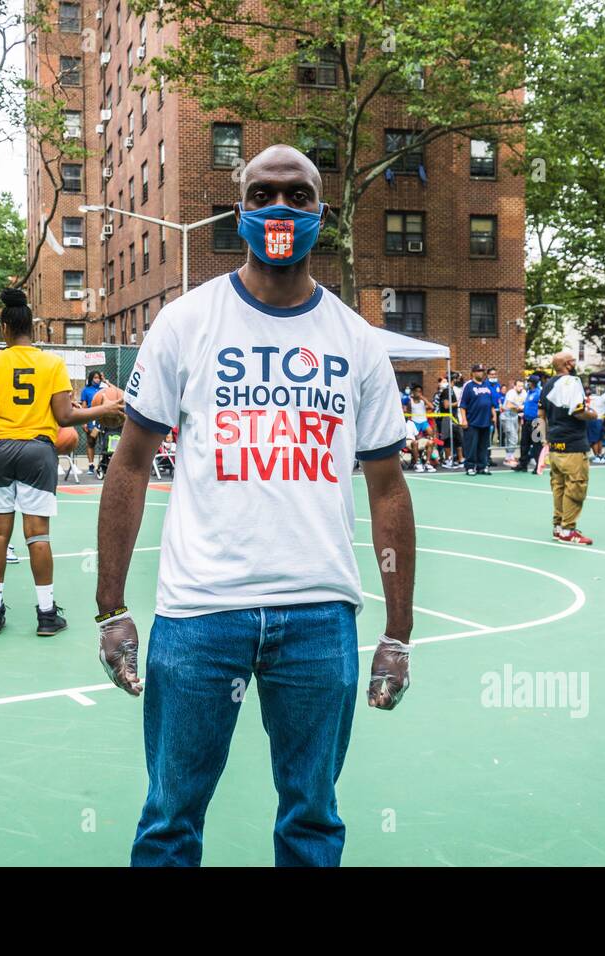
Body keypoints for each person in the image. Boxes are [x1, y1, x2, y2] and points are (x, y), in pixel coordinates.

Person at [94, 144, 414, 867]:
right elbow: (131, 464)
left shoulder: (355, 341)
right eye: (262, 194)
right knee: (171, 817)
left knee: (312, 821)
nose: (279, 209)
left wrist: (399, 630)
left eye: (297, 196)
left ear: (321, 213)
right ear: (239, 210)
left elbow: (388, 486)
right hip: (200, 613)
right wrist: (111, 607)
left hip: (320, 615)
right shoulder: (186, 322)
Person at [0, 288, 115, 636]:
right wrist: (103, 409)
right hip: (37, 451)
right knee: (38, 536)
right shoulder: (52, 363)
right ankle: (46, 615)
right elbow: (63, 417)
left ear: (3, 327)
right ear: (31, 327)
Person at [540, 351, 598, 544]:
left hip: (555, 443)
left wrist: (544, 439)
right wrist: (593, 414)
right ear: (567, 364)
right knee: (576, 485)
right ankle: (568, 530)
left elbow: (541, 414)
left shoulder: (547, 384)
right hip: (572, 443)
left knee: (559, 487)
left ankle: (558, 526)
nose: (575, 363)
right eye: (573, 360)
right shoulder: (572, 382)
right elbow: (578, 411)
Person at [459, 363, 496, 475]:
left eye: (482, 371)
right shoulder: (468, 386)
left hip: (485, 421)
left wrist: (493, 415)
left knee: (483, 446)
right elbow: (462, 404)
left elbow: (491, 403)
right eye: (478, 371)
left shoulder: (487, 385)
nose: (481, 372)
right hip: (472, 422)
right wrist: (464, 420)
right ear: (473, 373)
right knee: (471, 446)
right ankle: (470, 466)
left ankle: (482, 466)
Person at [514, 374, 543, 472]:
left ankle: (538, 466)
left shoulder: (539, 393)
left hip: (536, 422)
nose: (527, 383)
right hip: (526, 421)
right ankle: (523, 465)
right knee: (524, 444)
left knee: (536, 445)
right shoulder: (529, 393)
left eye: (528, 381)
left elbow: (541, 408)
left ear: (532, 383)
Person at [80, 371, 106, 476]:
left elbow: (114, 392)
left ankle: (104, 464)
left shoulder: (104, 389)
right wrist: (84, 422)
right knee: (91, 442)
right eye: (95, 378)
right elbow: (84, 407)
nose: (97, 380)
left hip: (103, 420)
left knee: (105, 443)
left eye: (99, 378)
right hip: (92, 420)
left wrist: (105, 381)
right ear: (91, 379)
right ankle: (91, 466)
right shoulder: (86, 390)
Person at [432, 374, 459, 469]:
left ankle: (448, 457)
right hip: (441, 418)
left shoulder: (449, 391)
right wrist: (458, 402)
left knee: (449, 438)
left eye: (444, 381)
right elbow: (444, 405)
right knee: (444, 438)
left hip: (448, 418)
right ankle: (444, 458)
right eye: (442, 381)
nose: (443, 383)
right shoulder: (442, 392)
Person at [502, 379, 526, 467]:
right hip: (507, 415)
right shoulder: (511, 393)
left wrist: (522, 409)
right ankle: (509, 457)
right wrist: (519, 407)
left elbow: (526, 403)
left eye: (522, 386)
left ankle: (509, 457)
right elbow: (508, 405)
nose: (521, 388)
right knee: (513, 437)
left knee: (512, 436)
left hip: (515, 416)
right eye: (519, 386)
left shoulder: (524, 392)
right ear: (514, 386)